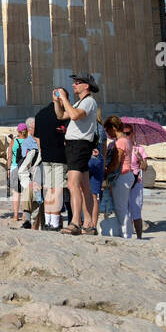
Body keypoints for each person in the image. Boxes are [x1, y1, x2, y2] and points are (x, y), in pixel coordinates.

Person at [53, 73, 99, 235]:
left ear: (86, 86)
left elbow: (73, 115)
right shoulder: (81, 102)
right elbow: (61, 116)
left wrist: (64, 98)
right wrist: (57, 102)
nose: (73, 85)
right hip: (75, 145)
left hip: (79, 145)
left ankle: (75, 222)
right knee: (84, 186)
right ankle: (88, 224)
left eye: (77, 83)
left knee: (72, 185)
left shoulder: (89, 102)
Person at [32, 102, 67, 231]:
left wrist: (42, 149)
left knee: (48, 190)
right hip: (59, 156)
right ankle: (55, 222)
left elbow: (37, 137)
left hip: (46, 156)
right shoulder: (62, 114)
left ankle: (47, 221)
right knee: (57, 190)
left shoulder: (40, 114)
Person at [9, 122, 37, 222]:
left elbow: (10, 156)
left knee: (16, 193)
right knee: (26, 193)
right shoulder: (30, 141)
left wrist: (8, 169)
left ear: (18, 131)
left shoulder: (14, 141)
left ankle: (16, 215)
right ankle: (25, 215)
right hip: (26, 168)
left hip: (14, 167)